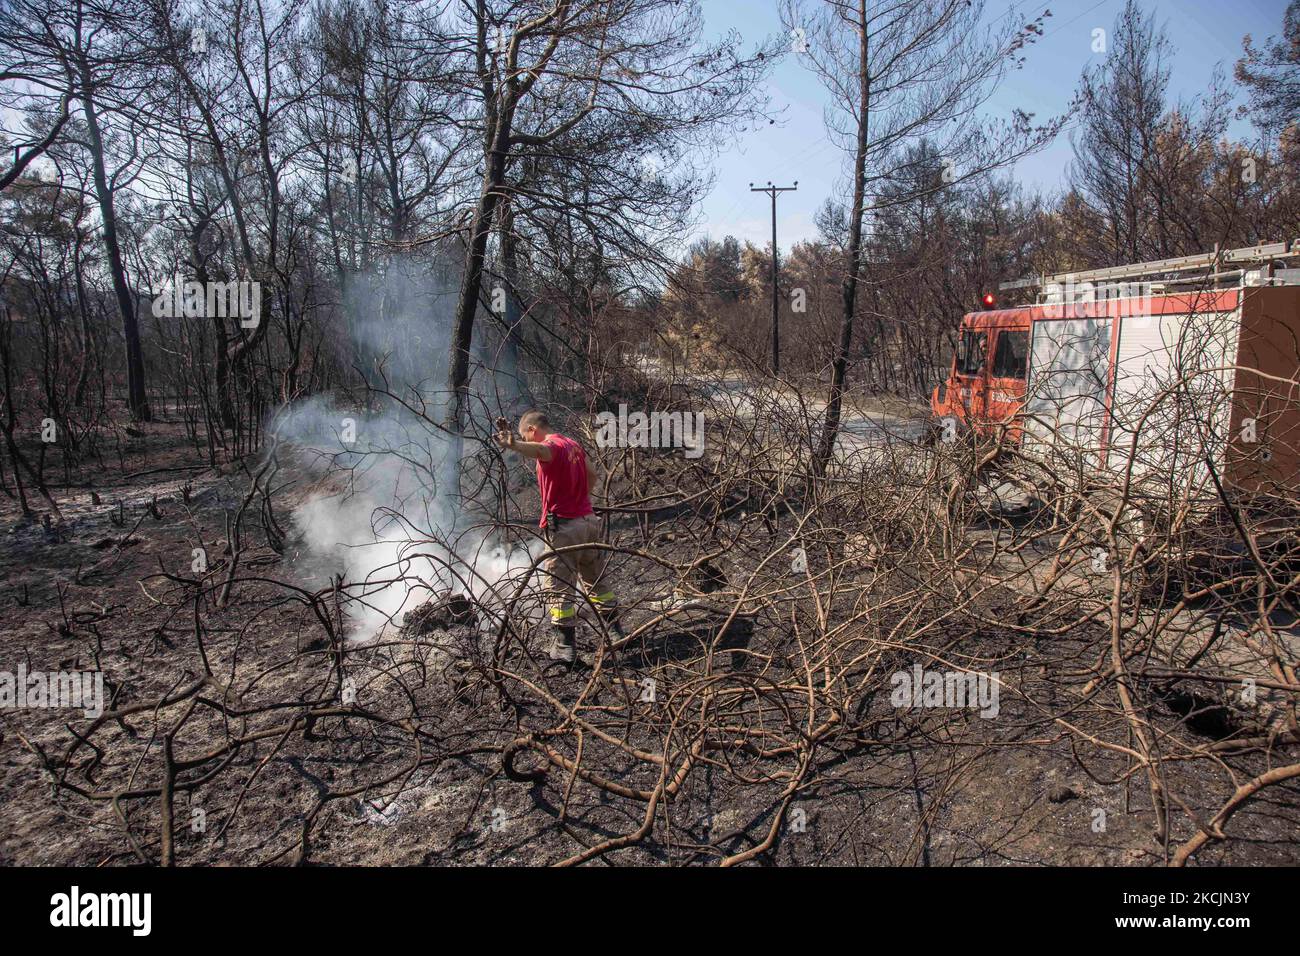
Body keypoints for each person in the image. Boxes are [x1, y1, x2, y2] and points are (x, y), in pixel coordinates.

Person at [495, 410, 616, 662]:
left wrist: (514, 445)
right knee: (595, 581)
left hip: (565, 528)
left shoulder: (550, 446)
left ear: (531, 430)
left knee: (558, 586)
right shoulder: (573, 444)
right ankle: (616, 633)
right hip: (588, 522)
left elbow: (540, 452)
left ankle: (564, 646)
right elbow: (592, 475)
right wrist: (580, 499)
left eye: (524, 436)